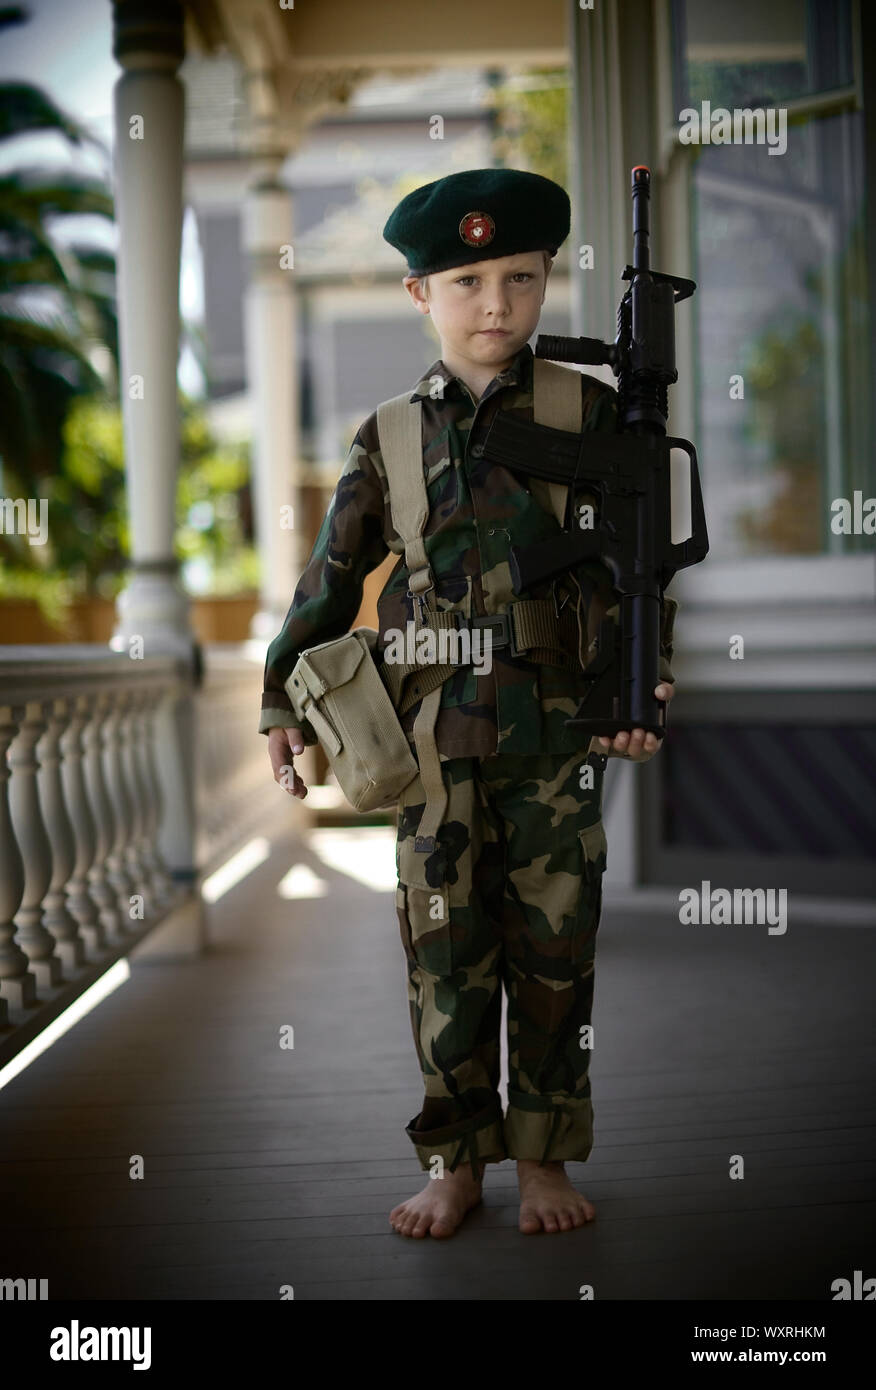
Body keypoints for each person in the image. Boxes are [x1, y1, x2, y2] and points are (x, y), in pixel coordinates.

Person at [260, 168, 678, 1239]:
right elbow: (327, 578)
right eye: (468, 281)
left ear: (546, 283)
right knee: (444, 958)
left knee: (555, 957)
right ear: (419, 295)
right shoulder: (388, 435)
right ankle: (455, 1160)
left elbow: (635, 570)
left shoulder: (587, 411)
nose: (497, 303)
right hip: (430, 749)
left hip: (554, 740)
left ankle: (543, 1159)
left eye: (522, 278)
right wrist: (281, 700)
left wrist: (642, 682)